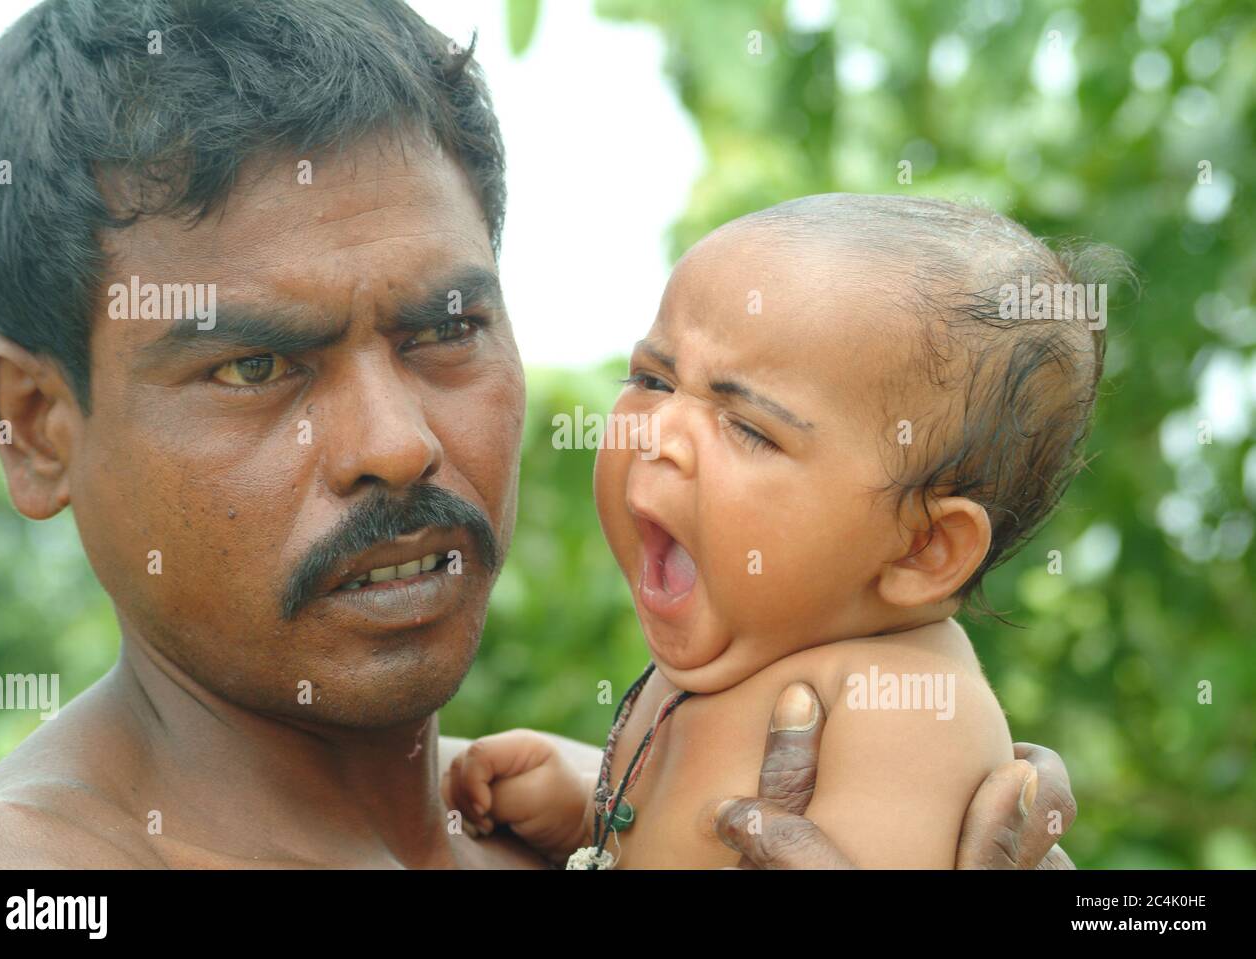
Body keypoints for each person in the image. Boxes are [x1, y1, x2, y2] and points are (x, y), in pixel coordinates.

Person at [0, 0, 1074, 869]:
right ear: (36, 426)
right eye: (255, 366)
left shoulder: (577, 814)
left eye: (444, 328)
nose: (393, 445)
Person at [445, 194, 1108, 868]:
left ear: (923, 548)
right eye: (652, 378)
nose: (661, 432)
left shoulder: (905, 713)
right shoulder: (735, 656)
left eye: (749, 426)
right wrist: (594, 814)